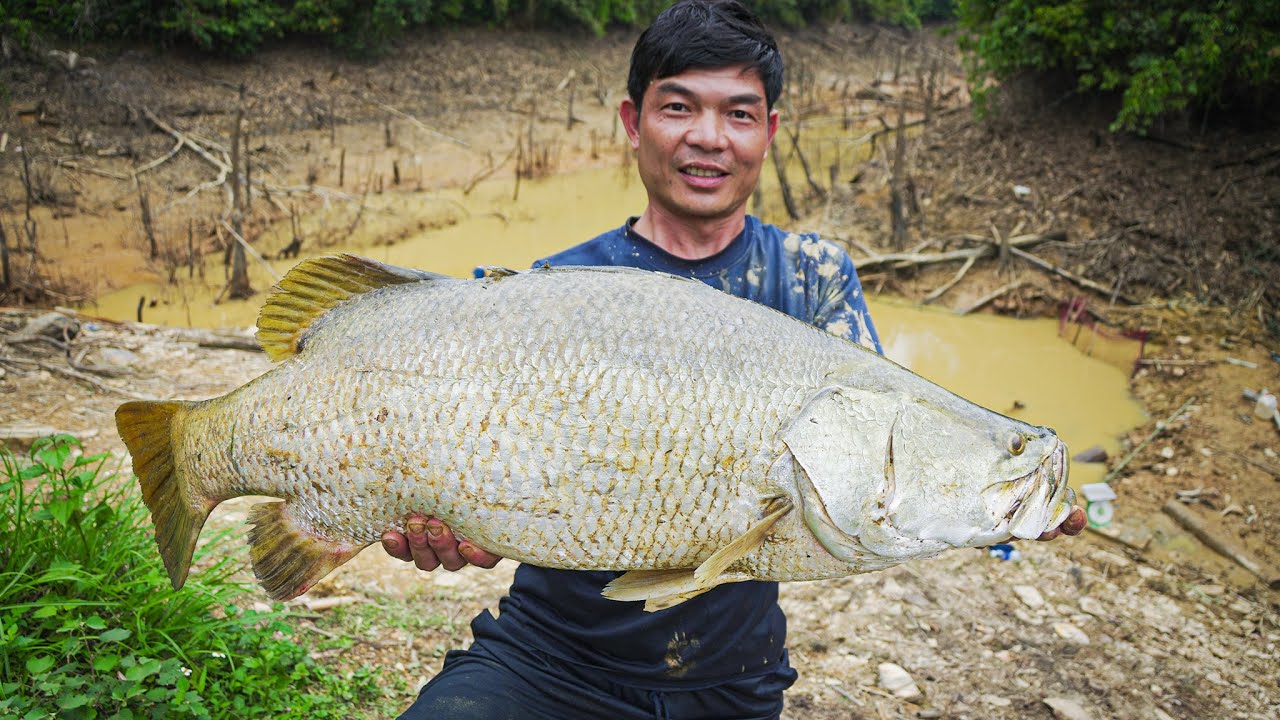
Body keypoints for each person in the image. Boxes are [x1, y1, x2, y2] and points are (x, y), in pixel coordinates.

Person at [382, 2, 1087, 717]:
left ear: (771, 131)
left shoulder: (813, 277)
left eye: (740, 114)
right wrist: (452, 513)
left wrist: (986, 502)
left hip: (731, 678)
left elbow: (868, 475)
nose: (708, 138)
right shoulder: (559, 290)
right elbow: (493, 466)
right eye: (679, 107)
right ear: (633, 122)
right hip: (547, 658)